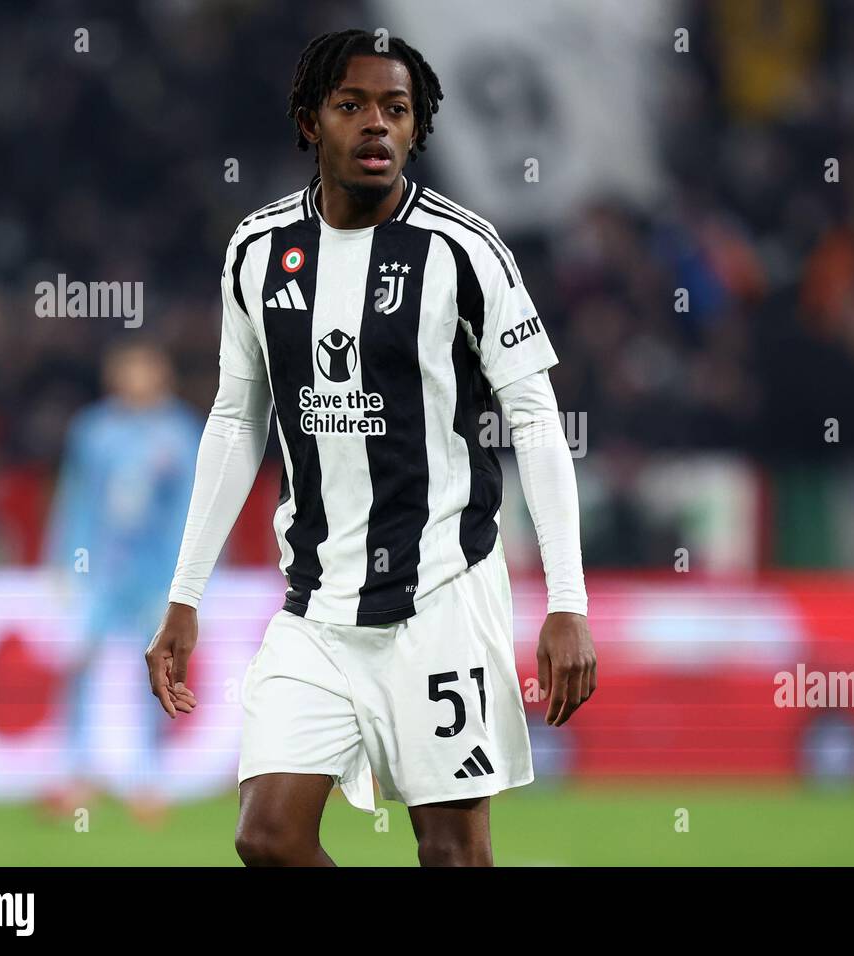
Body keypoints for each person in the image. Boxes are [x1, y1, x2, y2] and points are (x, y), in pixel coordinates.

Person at [145, 29, 596, 866]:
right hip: (315, 604)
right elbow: (239, 419)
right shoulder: (257, 251)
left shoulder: (465, 252)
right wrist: (185, 593)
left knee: (453, 854)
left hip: (443, 599)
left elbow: (535, 418)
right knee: (268, 837)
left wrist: (566, 601)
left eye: (396, 109)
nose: (376, 125)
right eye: (353, 105)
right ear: (312, 120)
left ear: (418, 128)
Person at [47, 342, 201, 824]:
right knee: (79, 663)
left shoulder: (180, 433)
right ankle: (76, 771)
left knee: (159, 672)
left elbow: (193, 508)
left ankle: (147, 776)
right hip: (100, 571)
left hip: (158, 575)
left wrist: (189, 577)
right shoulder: (95, 430)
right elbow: (77, 498)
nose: (137, 378)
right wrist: (64, 561)